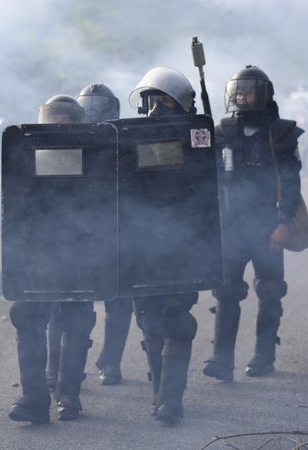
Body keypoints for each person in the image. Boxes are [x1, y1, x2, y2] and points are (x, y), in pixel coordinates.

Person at [202, 65, 302, 383]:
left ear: (263, 94)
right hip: (232, 225)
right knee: (226, 291)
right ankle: (221, 358)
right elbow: (213, 178)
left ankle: (263, 355)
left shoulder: (281, 133)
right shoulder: (223, 131)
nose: (241, 95)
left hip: (267, 224)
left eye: (249, 90)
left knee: (270, 290)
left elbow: (291, 183)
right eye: (238, 89)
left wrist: (283, 221)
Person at [9, 95, 96, 424]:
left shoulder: (95, 153)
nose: (57, 129)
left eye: (65, 122)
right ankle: (34, 399)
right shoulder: (28, 152)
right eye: (52, 122)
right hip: (40, 252)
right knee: (25, 315)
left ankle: (69, 395)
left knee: (76, 321)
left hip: (81, 251)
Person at [127, 67, 202, 425]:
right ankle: (160, 392)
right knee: (149, 322)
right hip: (141, 246)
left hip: (183, 244)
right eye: (151, 100)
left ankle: (171, 400)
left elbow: (209, 195)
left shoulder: (200, 139)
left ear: (182, 104)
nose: (157, 108)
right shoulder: (125, 140)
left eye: (165, 100)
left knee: (178, 320)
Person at [75, 83, 131, 387]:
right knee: (76, 304)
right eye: (89, 107)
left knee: (120, 303)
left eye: (100, 107)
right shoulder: (68, 141)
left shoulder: (125, 141)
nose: (94, 113)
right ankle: (70, 368)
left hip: (118, 232)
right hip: (82, 234)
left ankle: (111, 363)